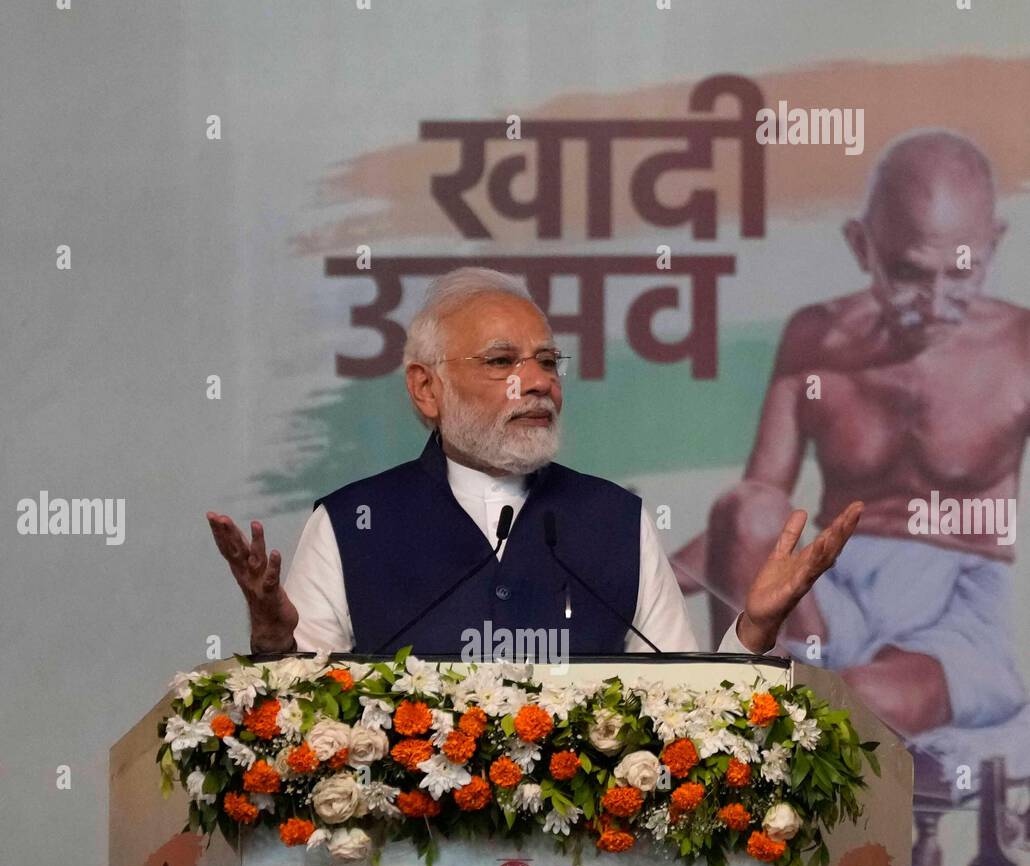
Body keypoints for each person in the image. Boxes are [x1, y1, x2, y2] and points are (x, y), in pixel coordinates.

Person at [208, 268, 862, 658]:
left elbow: (688, 712)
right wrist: (271, 641)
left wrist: (753, 629)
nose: (538, 382)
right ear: (425, 389)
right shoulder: (353, 524)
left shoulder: (613, 520)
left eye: (547, 362)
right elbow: (292, 733)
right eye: (501, 363)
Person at [673, 130, 1029, 747]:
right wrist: (634, 580)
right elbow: (754, 517)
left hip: (954, 612)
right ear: (862, 246)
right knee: (747, 507)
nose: (938, 301)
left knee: (853, 703)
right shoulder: (815, 339)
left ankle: (766, 719)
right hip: (831, 590)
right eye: (911, 274)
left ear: (992, 243)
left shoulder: (1020, 346)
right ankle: (741, 724)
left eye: (961, 271)